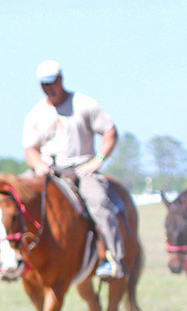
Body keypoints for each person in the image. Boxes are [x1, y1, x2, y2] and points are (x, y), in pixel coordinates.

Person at [21, 60, 126, 279]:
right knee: (14, 196)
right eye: (43, 84)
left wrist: (98, 160)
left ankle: (114, 259)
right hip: (48, 169)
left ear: (61, 80)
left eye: (52, 82)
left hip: (81, 169)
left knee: (98, 202)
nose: (48, 88)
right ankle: (15, 258)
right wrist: (39, 165)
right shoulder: (36, 113)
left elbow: (110, 132)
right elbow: (30, 150)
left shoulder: (85, 104)